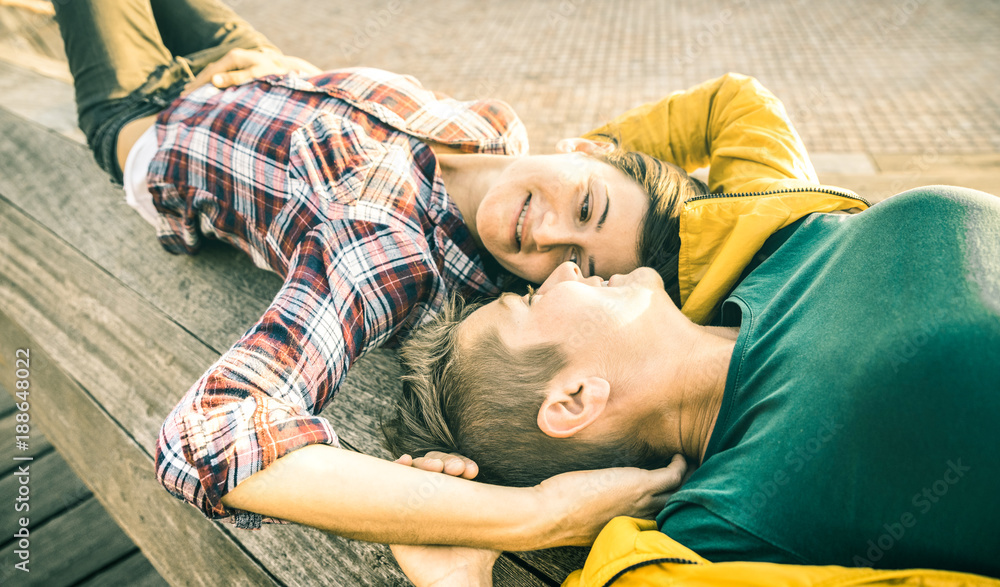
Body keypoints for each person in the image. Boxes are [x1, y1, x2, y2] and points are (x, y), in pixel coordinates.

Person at [53, 0, 865, 558]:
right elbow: (732, 103)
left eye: (574, 266)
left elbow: (210, 434)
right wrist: (285, 74)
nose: (546, 233)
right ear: (594, 150)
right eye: (584, 201)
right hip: (250, 67)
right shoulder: (493, 129)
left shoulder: (387, 258)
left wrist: (531, 517)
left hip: (151, 121)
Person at [384, 186, 1000, 582]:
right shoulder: (725, 525)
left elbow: (733, 102)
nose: (564, 269)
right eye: (531, 299)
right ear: (575, 399)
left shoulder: (759, 260)